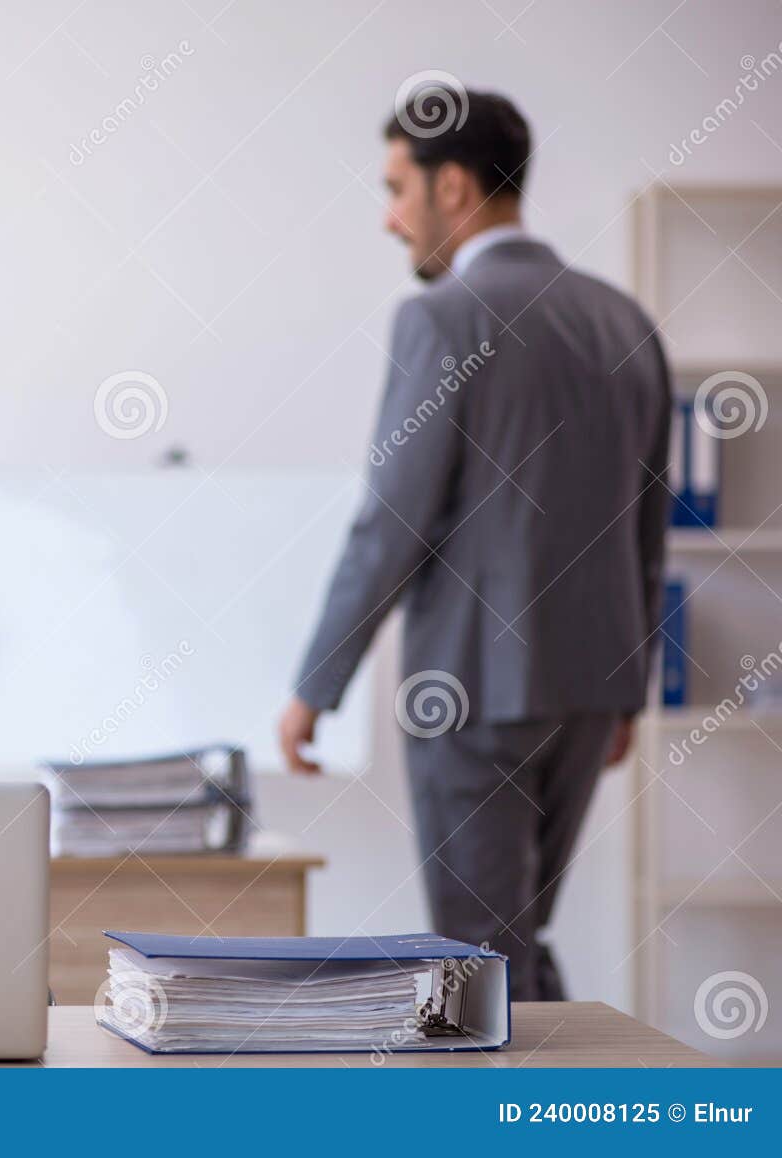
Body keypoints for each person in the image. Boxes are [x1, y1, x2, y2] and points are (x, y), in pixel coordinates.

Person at [277, 90, 671, 1001]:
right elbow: (650, 530)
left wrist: (314, 685)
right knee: (513, 939)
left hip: (470, 691)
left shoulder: (443, 319)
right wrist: (628, 691)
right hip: (589, 691)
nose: (388, 217)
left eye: (395, 189)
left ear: (452, 186)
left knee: (477, 960)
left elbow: (393, 522)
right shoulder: (624, 321)